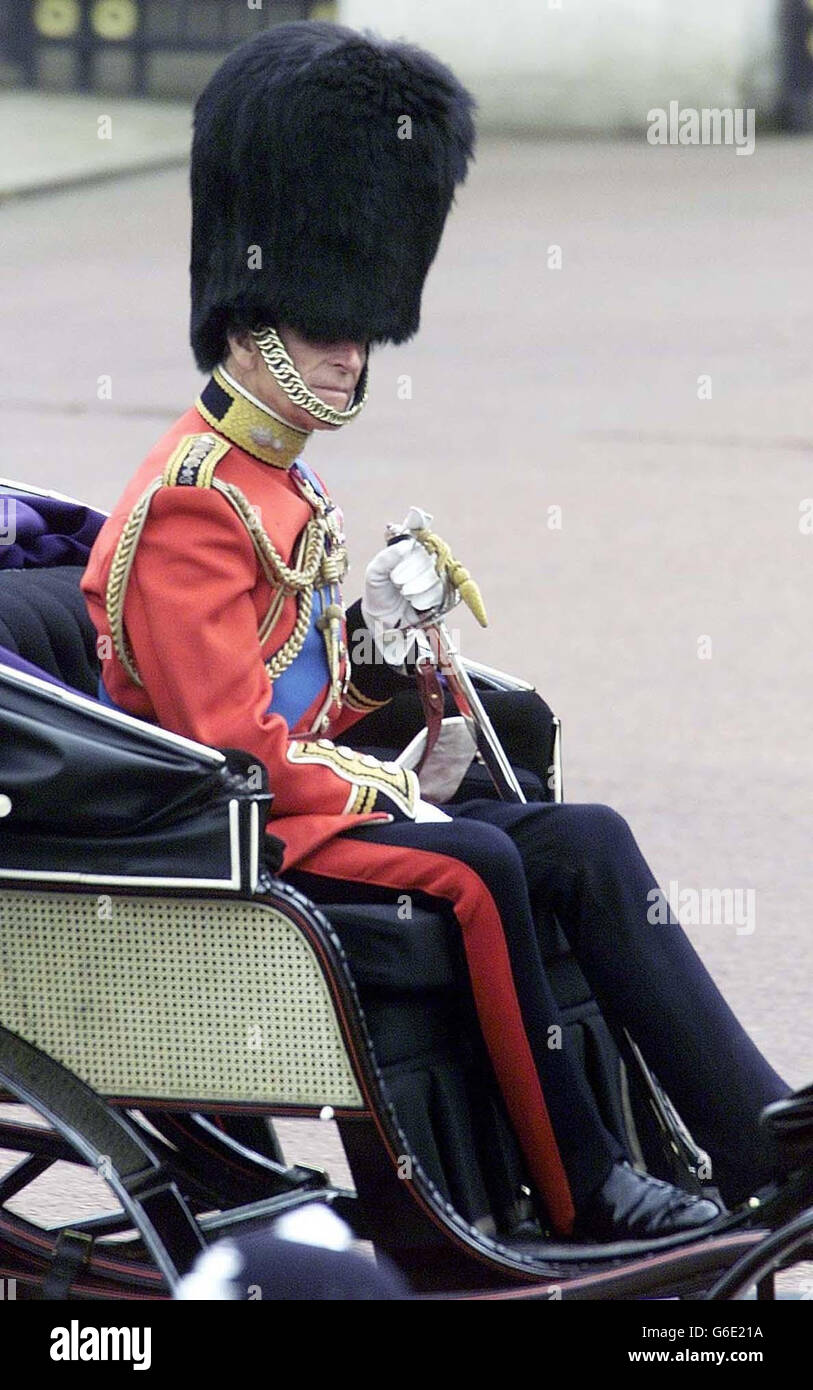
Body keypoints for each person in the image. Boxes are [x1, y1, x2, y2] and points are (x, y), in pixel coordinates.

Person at [81, 21, 791, 1243]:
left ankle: (755, 1131)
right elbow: (235, 753)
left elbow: (294, 698)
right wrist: (396, 786)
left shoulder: (282, 482)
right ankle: (581, 1184)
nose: (350, 351)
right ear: (254, 326)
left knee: (582, 837)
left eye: (358, 329)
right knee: (481, 864)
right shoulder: (199, 496)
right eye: (325, 331)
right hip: (231, 843)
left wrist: (400, 688)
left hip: (298, 804)